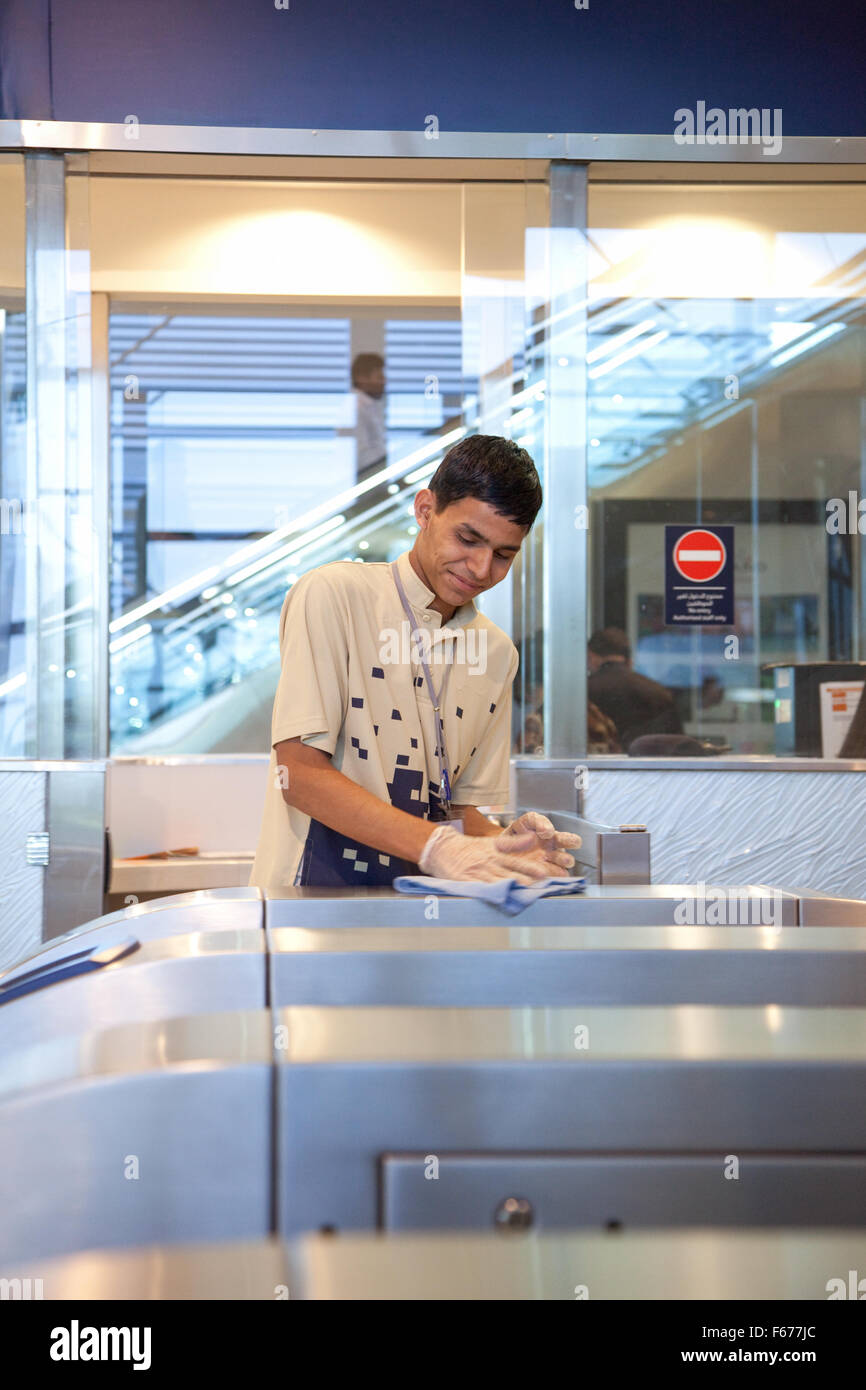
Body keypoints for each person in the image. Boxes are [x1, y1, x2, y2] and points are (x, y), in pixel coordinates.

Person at [250, 435, 580, 889]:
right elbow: (300, 774)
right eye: (468, 538)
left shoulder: (497, 652)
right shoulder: (336, 595)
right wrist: (438, 847)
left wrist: (503, 846)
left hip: (423, 914)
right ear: (425, 510)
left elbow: (456, 812)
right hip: (311, 900)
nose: (482, 569)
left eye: (504, 554)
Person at [587, 627, 682, 750]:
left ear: (592, 657)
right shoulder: (657, 691)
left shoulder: (583, 693)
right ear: (630, 660)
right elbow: (677, 744)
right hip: (648, 764)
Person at [349, 352, 387, 481]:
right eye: (379, 377)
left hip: (374, 477)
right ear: (361, 378)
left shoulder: (368, 405)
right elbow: (362, 453)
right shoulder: (355, 408)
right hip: (368, 479)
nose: (384, 382)